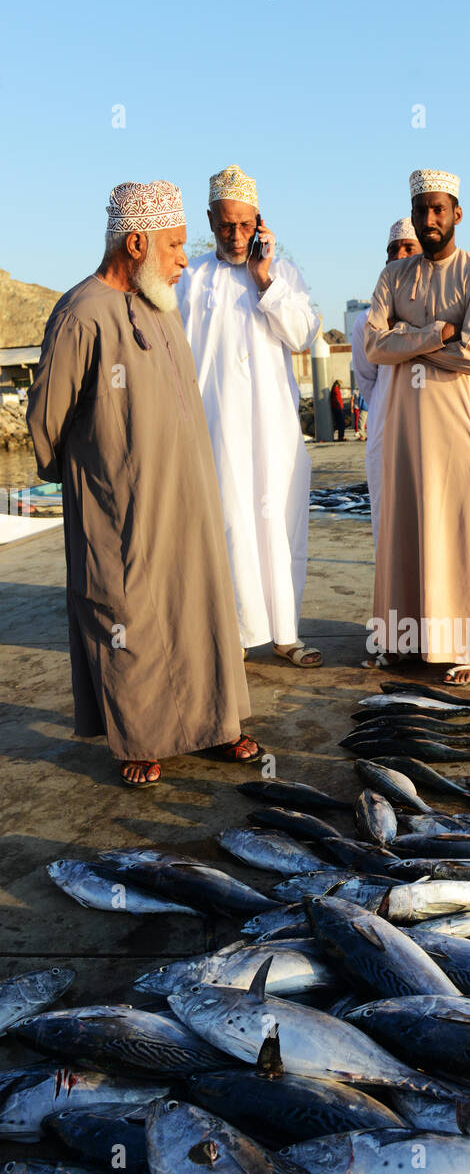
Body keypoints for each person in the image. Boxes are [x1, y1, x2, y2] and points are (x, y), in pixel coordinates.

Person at [26, 181, 258, 786]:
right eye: (176, 246)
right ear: (136, 243)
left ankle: (213, 726)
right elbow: (46, 424)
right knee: (126, 609)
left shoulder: (160, 307)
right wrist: (91, 479)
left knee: (195, 602)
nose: (186, 258)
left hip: (187, 497)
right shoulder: (81, 314)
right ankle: (141, 736)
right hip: (118, 505)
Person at [178, 165, 322, 669]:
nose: (236, 236)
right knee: (226, 528)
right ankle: (232, 637)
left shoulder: (283, 274)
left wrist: (265, 281)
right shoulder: (191, 278)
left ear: (259, 222)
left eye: (245, 225)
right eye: (225, 225)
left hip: (272, 430)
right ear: (210, 220)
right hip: (214, 430)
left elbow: (302, 333)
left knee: (278, 526)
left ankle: (285, 634)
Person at [363, 170, 470, 685]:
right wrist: (431, 333)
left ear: (457, 212)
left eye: (439, 209)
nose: (430, 219)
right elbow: (373, 346)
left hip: (458, 427)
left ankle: (468, 647)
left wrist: (405, 338)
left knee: (461, 531)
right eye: (422, 210)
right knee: (404, 529)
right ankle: (404, 641)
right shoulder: (392, 278)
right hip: (403, 427)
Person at [350, 218, 422, 547]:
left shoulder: (441, 313)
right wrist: (385, 406)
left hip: (428, 431)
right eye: (393, 250)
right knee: (390, 531)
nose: (400, 255)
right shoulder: (367, 322)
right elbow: (368, 381)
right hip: (384, 433)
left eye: (409, 247)